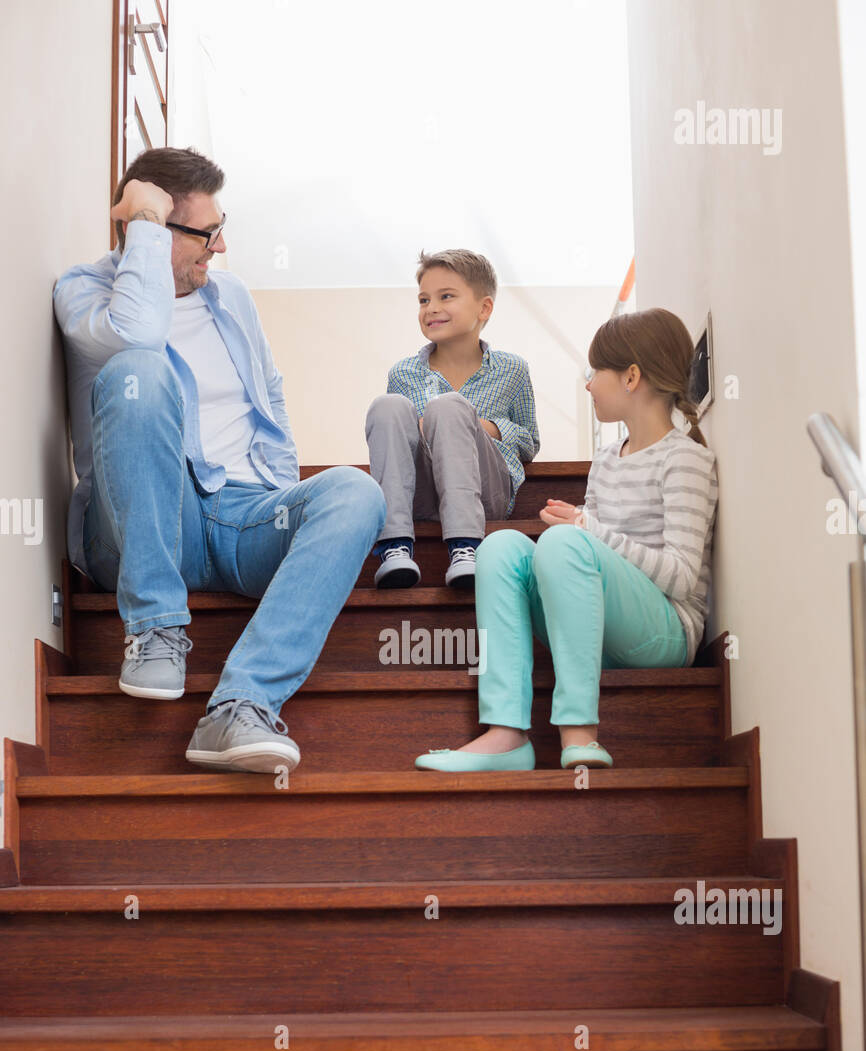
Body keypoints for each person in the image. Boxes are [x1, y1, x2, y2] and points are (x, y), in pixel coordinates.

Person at [54, 146, 386, 774]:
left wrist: (281, 488)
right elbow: (140, 336)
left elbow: (272, 393)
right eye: (207, 234)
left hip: (245, 516)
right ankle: (153, 626)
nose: (221, 248)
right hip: (149, 521)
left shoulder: (230, 296)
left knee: (356, 492)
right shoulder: (84, 293)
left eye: (221, 229)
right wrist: (146, 232)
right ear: (148, 229)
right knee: (138, 374)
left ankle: (240, 704)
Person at [414, 307, 718, 771]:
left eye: (596, 371)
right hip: (598, 632)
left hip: (664, 634)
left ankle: (580, 731)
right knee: (500, 546)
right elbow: (586, 553)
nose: (589, 383)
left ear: (632, 377)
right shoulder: (607, 458)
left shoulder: (686, 459)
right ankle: (506, 734)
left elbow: (679, 577)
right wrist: (582, 532)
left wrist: (585, 530)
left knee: (564, 542)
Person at [364, 248, 539, 590]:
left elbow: (530, 442)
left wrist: (485, 427)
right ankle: (395, 547)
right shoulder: (403, 374)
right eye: (423, 300)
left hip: (485, 494)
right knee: (387, 406)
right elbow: (396, 447)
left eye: (446, 297)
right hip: (423, 493)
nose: (431, 308)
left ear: (484, 308)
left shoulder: (512, 369)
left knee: (448, 407)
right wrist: (417, 432)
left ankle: (466, 548)